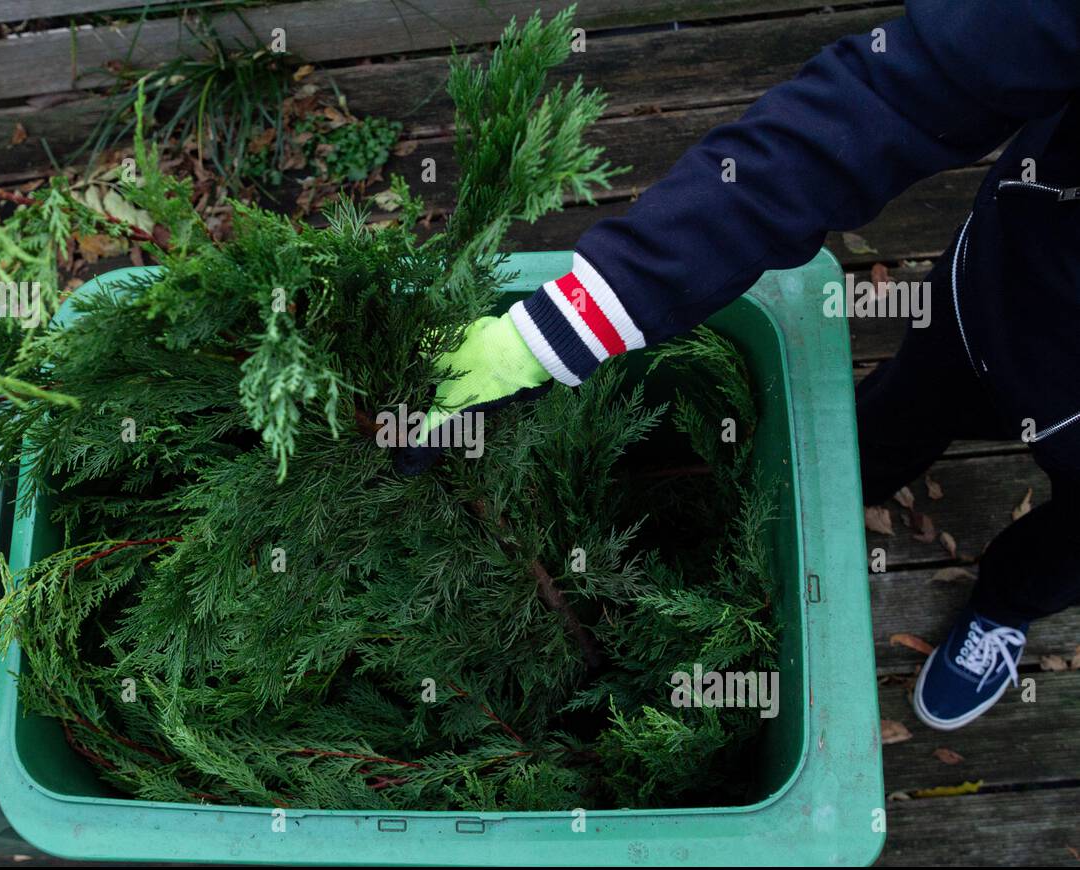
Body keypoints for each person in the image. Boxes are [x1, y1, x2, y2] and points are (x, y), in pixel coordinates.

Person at [402, 1, 1080, 730]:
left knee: (1063, 556)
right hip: (1004, 303)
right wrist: (548, 335)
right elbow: (887, 98)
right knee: (892, 422)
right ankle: (805, 511)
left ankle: (1005, 604)